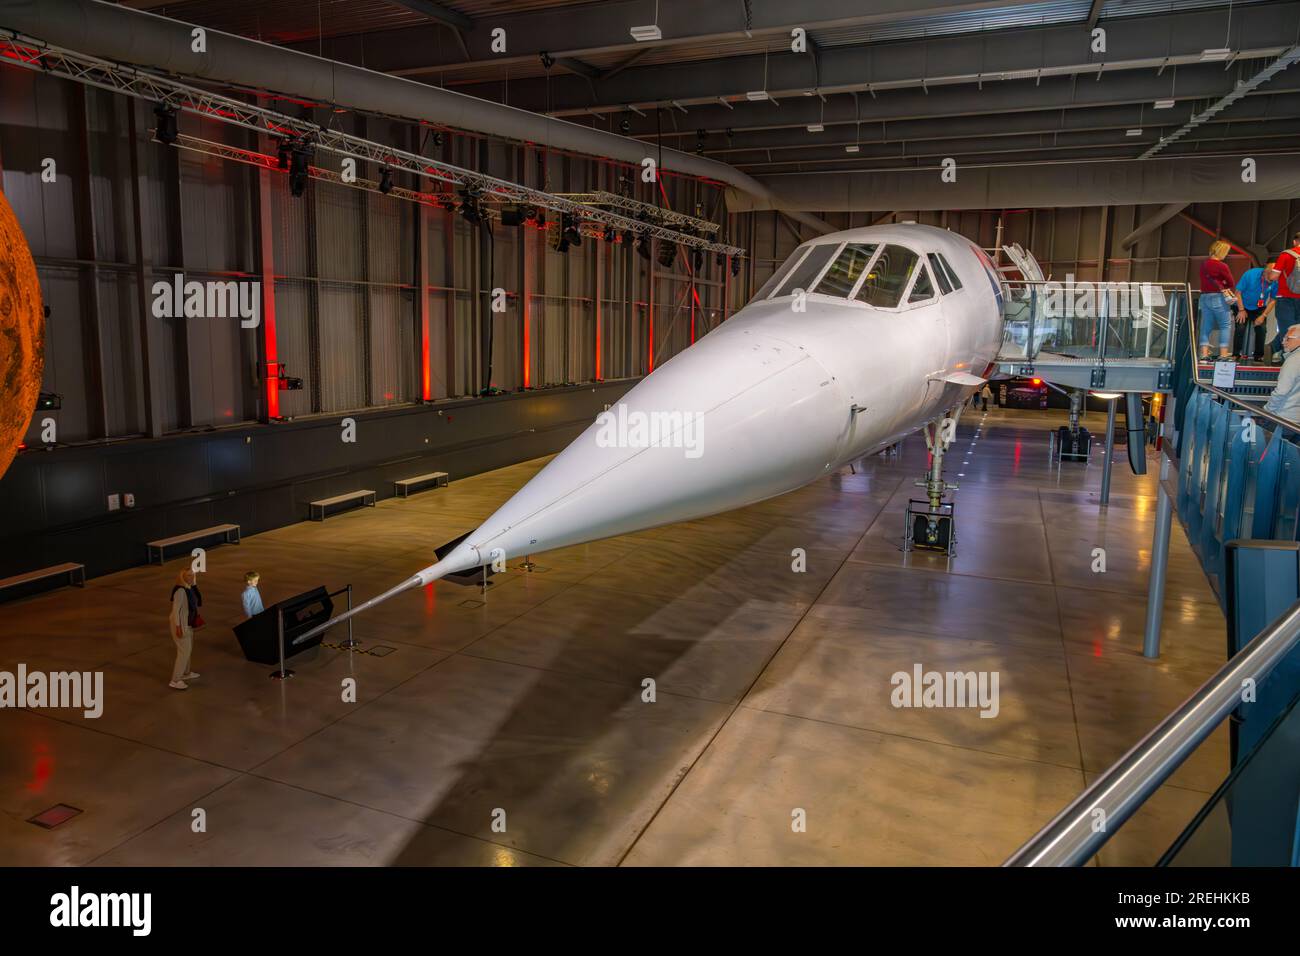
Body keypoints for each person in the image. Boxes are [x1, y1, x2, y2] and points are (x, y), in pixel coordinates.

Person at [1198, 240, 1242, 361]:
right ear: (1222, 252)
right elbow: (1231, 283)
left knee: (1206, 326)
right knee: (1225, 325)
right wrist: (1222, 282)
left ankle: (1204, 354)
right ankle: (1223, 355)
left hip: (1204, 297)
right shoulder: (1222, 266)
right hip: (1218, 297)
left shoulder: (1203, 264)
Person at [1232, 264, 1280, 362]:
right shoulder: (1250, 274)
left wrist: (1263, 315)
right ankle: (1236, 354)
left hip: (1259, 307)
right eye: (1269, 279)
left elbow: (1273, 300)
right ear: (1265, 272)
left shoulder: (1276, 280)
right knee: (1240, 328)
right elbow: (1238, 292)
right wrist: (1241, 310)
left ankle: (1258, 355)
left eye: (1273, 279)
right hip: (1242, 305)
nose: (1271, 281)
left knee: (1261, 329)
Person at [169, 569, 203, 690]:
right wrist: (178, 627)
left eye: (193, 575)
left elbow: (198, 600)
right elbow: (175, 612)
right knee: (184, 652)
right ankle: (175, 680)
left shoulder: (189, 589)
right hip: (181, 625)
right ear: (182, 577)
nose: (191, 577)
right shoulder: (180, 591)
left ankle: (186, 673)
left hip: (188, 624)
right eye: (188, 575)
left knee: (188, 650)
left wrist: (194, 583)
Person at [1271, 239, 1300, 363]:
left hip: (1285, 297)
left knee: (1286, 329)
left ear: (1294, 241)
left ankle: (1285, 356)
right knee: (1298, 330)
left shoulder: (1286, 255)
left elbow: (1274, 276)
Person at [1265, 324, 1300, 423]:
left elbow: (1281, 392)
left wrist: (1267, 410)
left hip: (1284, 419)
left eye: (1288, 338)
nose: (1283, 342)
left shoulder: (1293, 360)